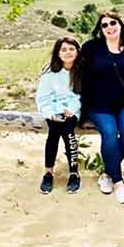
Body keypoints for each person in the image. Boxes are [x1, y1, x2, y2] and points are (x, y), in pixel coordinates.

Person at [80, 12, 124, 204]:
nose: (109, 27)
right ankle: (118, 182)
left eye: (112, 23)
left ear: (120, 24)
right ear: (100, 30)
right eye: (104, 25)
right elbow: (77, 71)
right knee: (109, 133)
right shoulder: (91, 48)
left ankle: (107, 173)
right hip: (98, 104)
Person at [36, 36, 83, 195]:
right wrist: (52, 113)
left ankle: (74, 172)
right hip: (53, 110)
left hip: (74, 110)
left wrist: (70, 110)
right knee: (53, 132)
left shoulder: (82, 71)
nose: (68, 52)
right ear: (57, 53)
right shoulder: (49, 72)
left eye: (71, 49)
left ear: (77, 51)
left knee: (68, 132)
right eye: (63, 49)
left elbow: (81, 96)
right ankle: (48, 172)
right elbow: (43, 97)